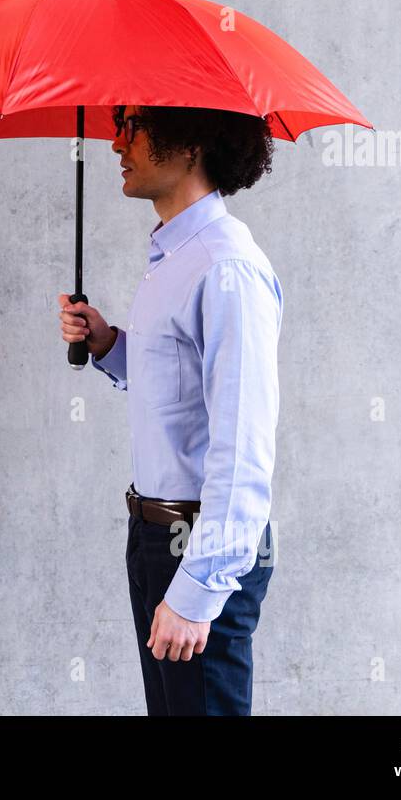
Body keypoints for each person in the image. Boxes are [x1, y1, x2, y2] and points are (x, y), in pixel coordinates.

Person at [59, 104, 283, 715]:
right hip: (156, 536)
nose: (115, 142)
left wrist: (198, 590)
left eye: (133, 125)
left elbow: (243, 449)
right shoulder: (176, 257)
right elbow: (178, 385)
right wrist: (107, 344)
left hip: (198, 543)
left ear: (190, 144)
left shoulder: (225, 267)